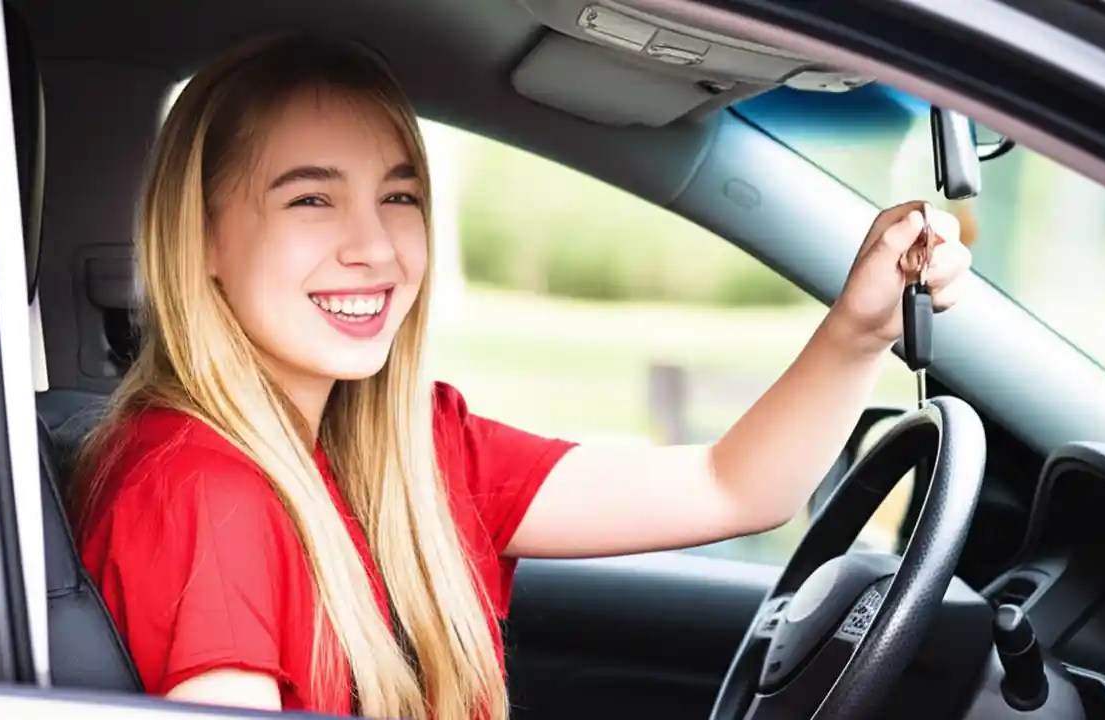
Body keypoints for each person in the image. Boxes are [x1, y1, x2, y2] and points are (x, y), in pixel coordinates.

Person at [71, 34, 972, 720]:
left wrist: (858, 329)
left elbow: (730, 485)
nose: (374, 247)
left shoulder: (414, 444)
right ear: (203, 240)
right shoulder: (196, 488)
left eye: (399, 196)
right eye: (311, 198)